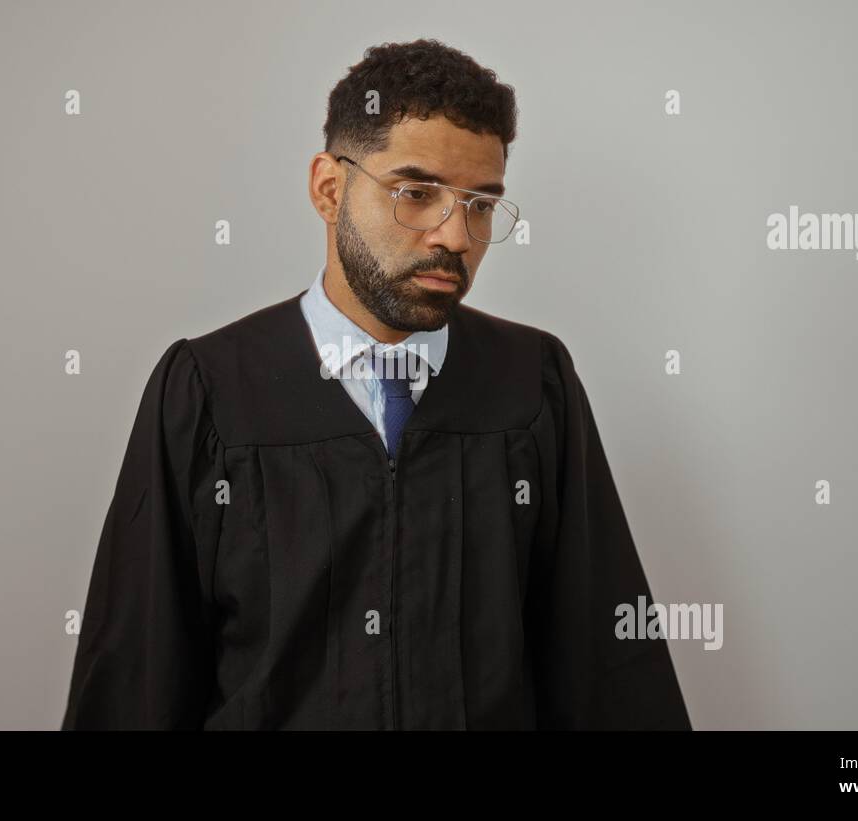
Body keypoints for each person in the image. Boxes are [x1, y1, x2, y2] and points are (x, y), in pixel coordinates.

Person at [62, 38, 690, 730]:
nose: (456, 234)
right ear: (329, 189)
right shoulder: (211, 390)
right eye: (416, 193)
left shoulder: (531, 385)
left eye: (481, 204)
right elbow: (137, 675)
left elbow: (603, 667)